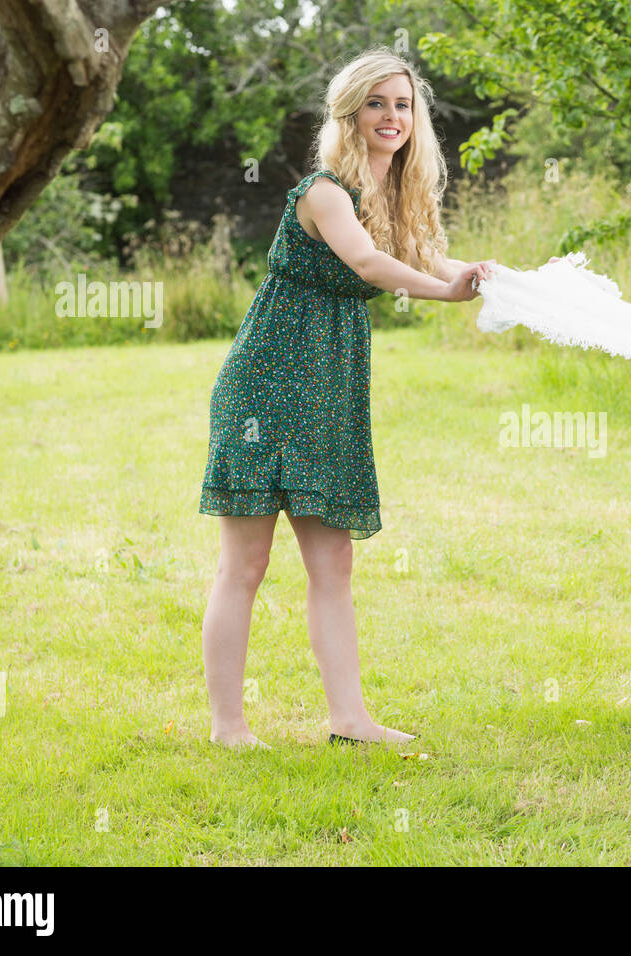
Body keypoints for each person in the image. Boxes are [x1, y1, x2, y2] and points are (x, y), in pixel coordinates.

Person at [198, 48, 496, 748]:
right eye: (377, 104)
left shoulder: (397, 197)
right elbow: (368, 264)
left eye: (403, 105)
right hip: (266, 384)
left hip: (329, 386)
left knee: (333, 564)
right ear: (350, 112)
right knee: (244, 563)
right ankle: (227, 726)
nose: (392, 117)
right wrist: (447, 290)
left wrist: (486, 278)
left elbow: (428, 260)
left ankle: (349, 719)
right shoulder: (324, 191)